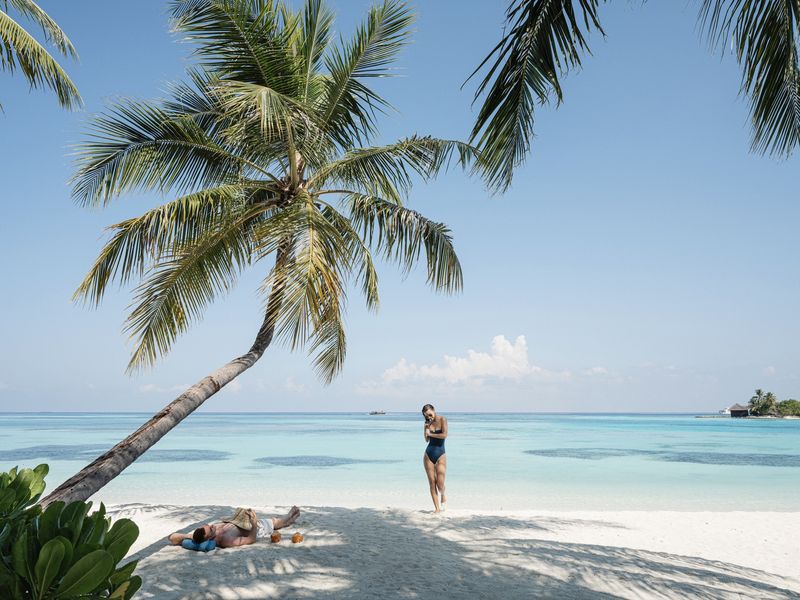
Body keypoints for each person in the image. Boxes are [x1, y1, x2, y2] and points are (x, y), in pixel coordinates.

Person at [168, 506, 300, 549]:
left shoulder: (202, 533)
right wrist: (254, 522)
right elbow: (251, 539)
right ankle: (291, 517)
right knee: (280, 523)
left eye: (209, 525)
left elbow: (172, 537)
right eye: (211, 529)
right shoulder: (226, 540)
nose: (212, 526)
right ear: (210, 537)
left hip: (244, 523)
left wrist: (186, 536)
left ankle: (291, 516)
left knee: (278, 521)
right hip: (258, 529)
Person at [422, 403, 447, 512]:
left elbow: (444, 435)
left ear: (434, 410)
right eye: (426, 416)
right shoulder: (427, 423)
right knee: (432, 482)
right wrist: (425, 429)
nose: (429, 417)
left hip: (441, 454)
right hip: (428, 454)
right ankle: (437, 509)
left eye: (430, 414)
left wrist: (431, 434)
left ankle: (443, 494)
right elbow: (426, 440)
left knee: (440, 483)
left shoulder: (442, 419)